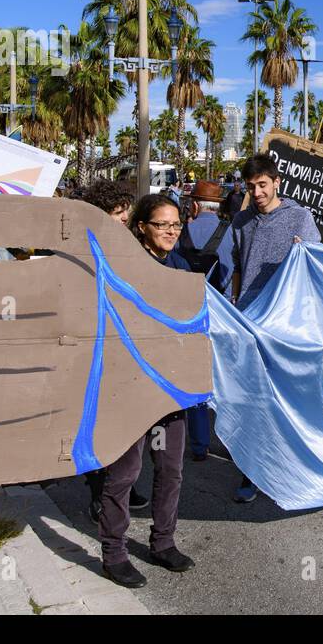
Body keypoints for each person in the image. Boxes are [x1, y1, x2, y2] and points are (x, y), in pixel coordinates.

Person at [98, 193, 196, 589]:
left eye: (176, 225)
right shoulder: (120, 268)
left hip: (171, 390)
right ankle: (114, 553)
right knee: (124, 474)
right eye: (163, 224)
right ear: (142, 227)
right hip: (129, 389)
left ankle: (163, 543)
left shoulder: (182, 265)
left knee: (170, 470)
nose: (172, 231)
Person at [229, 153, 320, 502]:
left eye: (263, 185)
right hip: (250, 323)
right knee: (252, 401)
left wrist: (305, 252)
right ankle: (251, 472)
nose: (258, 193)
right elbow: (236, 266)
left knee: (287, 399)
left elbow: (316, 262)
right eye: (251, 187)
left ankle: (290, 469)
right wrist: (235, 304)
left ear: (276, 182)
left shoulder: (300, 217)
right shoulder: (240, 221)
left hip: (288, 326)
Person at [76, 180, 148, 522]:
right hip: (93, 349)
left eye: (126, 212)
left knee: (124, 425)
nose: (124, 218)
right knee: (95, 423)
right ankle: (99, 493)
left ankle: (123, 483)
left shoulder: (130, 245)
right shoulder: (83, 248)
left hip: (124, 349)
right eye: (118, 213)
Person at [178, 181, 233, 462]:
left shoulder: (183, 232)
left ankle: (199, 445)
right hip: (224, 317)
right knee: (227, 382)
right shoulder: (231, 232)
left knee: (196, 382)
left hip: (191, 317)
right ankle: (231, 441)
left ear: (196, 205)